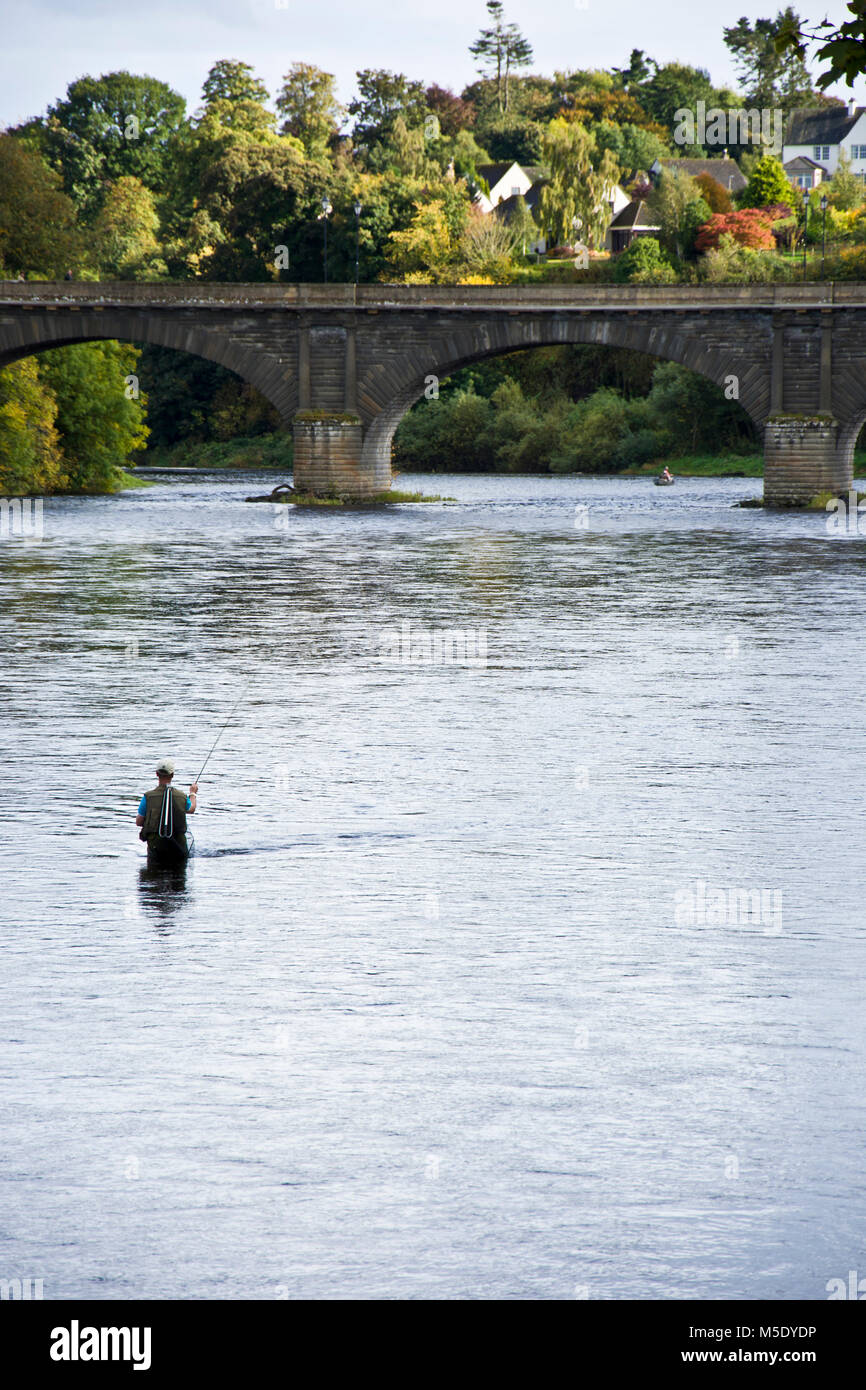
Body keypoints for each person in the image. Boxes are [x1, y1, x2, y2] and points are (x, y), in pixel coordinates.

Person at [136, 759, 198, 867]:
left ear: (156, 774)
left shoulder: (147, 797)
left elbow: (139, 822)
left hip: (156, 849)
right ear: (172, 775)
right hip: (178, 848)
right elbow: (191, 809)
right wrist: (192, 793)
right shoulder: (182, 796)